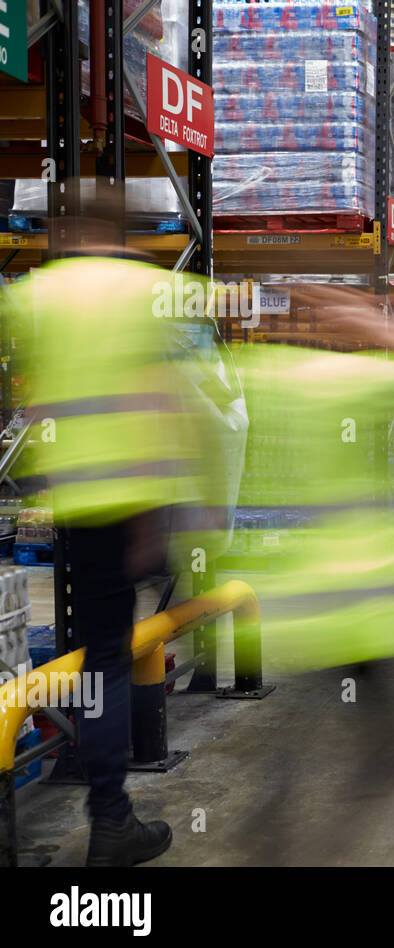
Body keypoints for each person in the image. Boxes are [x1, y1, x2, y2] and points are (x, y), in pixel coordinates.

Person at [7, 216, 190, 866]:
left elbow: (33, 406)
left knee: (94, 650)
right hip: (127, 500)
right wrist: (157, 514)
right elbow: (154, 400)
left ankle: (109, 802)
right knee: (110, 659)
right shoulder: (133, 291)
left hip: (75, 501)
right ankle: (111, 820)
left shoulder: (39, 294)